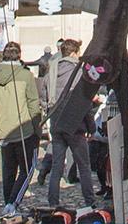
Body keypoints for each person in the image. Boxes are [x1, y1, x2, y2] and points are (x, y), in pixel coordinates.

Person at [0, 42, 42, 208]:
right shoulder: (25, 76)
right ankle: (13, 203)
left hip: (2, 130)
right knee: (27, 169)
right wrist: (37, 128)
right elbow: (33, 103)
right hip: (23, 129)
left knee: (8, 171)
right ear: (19, 55)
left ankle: (8, 203)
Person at [44, 56, 103, 211]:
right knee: (84, 166)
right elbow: (85, 103)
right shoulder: (79, 73)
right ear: (75, 53)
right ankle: (90, 201)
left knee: (57, 166)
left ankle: (53, 201)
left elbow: (44, 99)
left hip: (56, 122)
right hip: (75, 124)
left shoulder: (52, 71)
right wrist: (91, 127)